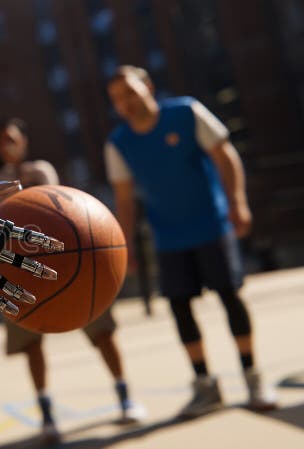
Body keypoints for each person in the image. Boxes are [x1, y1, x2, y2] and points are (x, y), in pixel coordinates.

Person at [104, 65, 277, 419]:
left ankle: (252, 376)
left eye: (130, 93)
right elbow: (124, 200)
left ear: (148, 87)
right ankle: (205, 385)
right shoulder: (119, 143)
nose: (126, 103)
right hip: (168, 237)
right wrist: (126, 247)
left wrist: (237, 202)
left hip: (212, 224)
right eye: (118, 99)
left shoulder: (186, 112)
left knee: (230, 296)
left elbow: (226, 156)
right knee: (179, 307)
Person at [0, 118, 145, 445]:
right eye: (2, 141)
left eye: (13, 138)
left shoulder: (39, 171)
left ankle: (125, 394)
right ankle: (46, 414)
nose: (8, 145)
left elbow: (51, 200)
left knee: (102, 331)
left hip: (68, 261)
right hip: (17, 270)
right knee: (31, 344)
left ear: (25, 141)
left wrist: (19, 174)